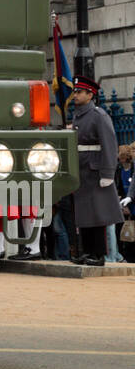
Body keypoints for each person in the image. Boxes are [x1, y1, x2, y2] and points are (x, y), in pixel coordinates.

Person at [67, 77, 121, 265]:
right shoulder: (78, 115)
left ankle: (98, 255)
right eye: (75, 91)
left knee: (99, 214)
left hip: (95, 170)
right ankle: (87, 251)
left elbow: (109, 145)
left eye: (80, 92)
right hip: (82, 169)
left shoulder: (99, 115)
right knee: (84, 214)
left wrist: (107, 173)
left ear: (90, 95)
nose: (76, 95)